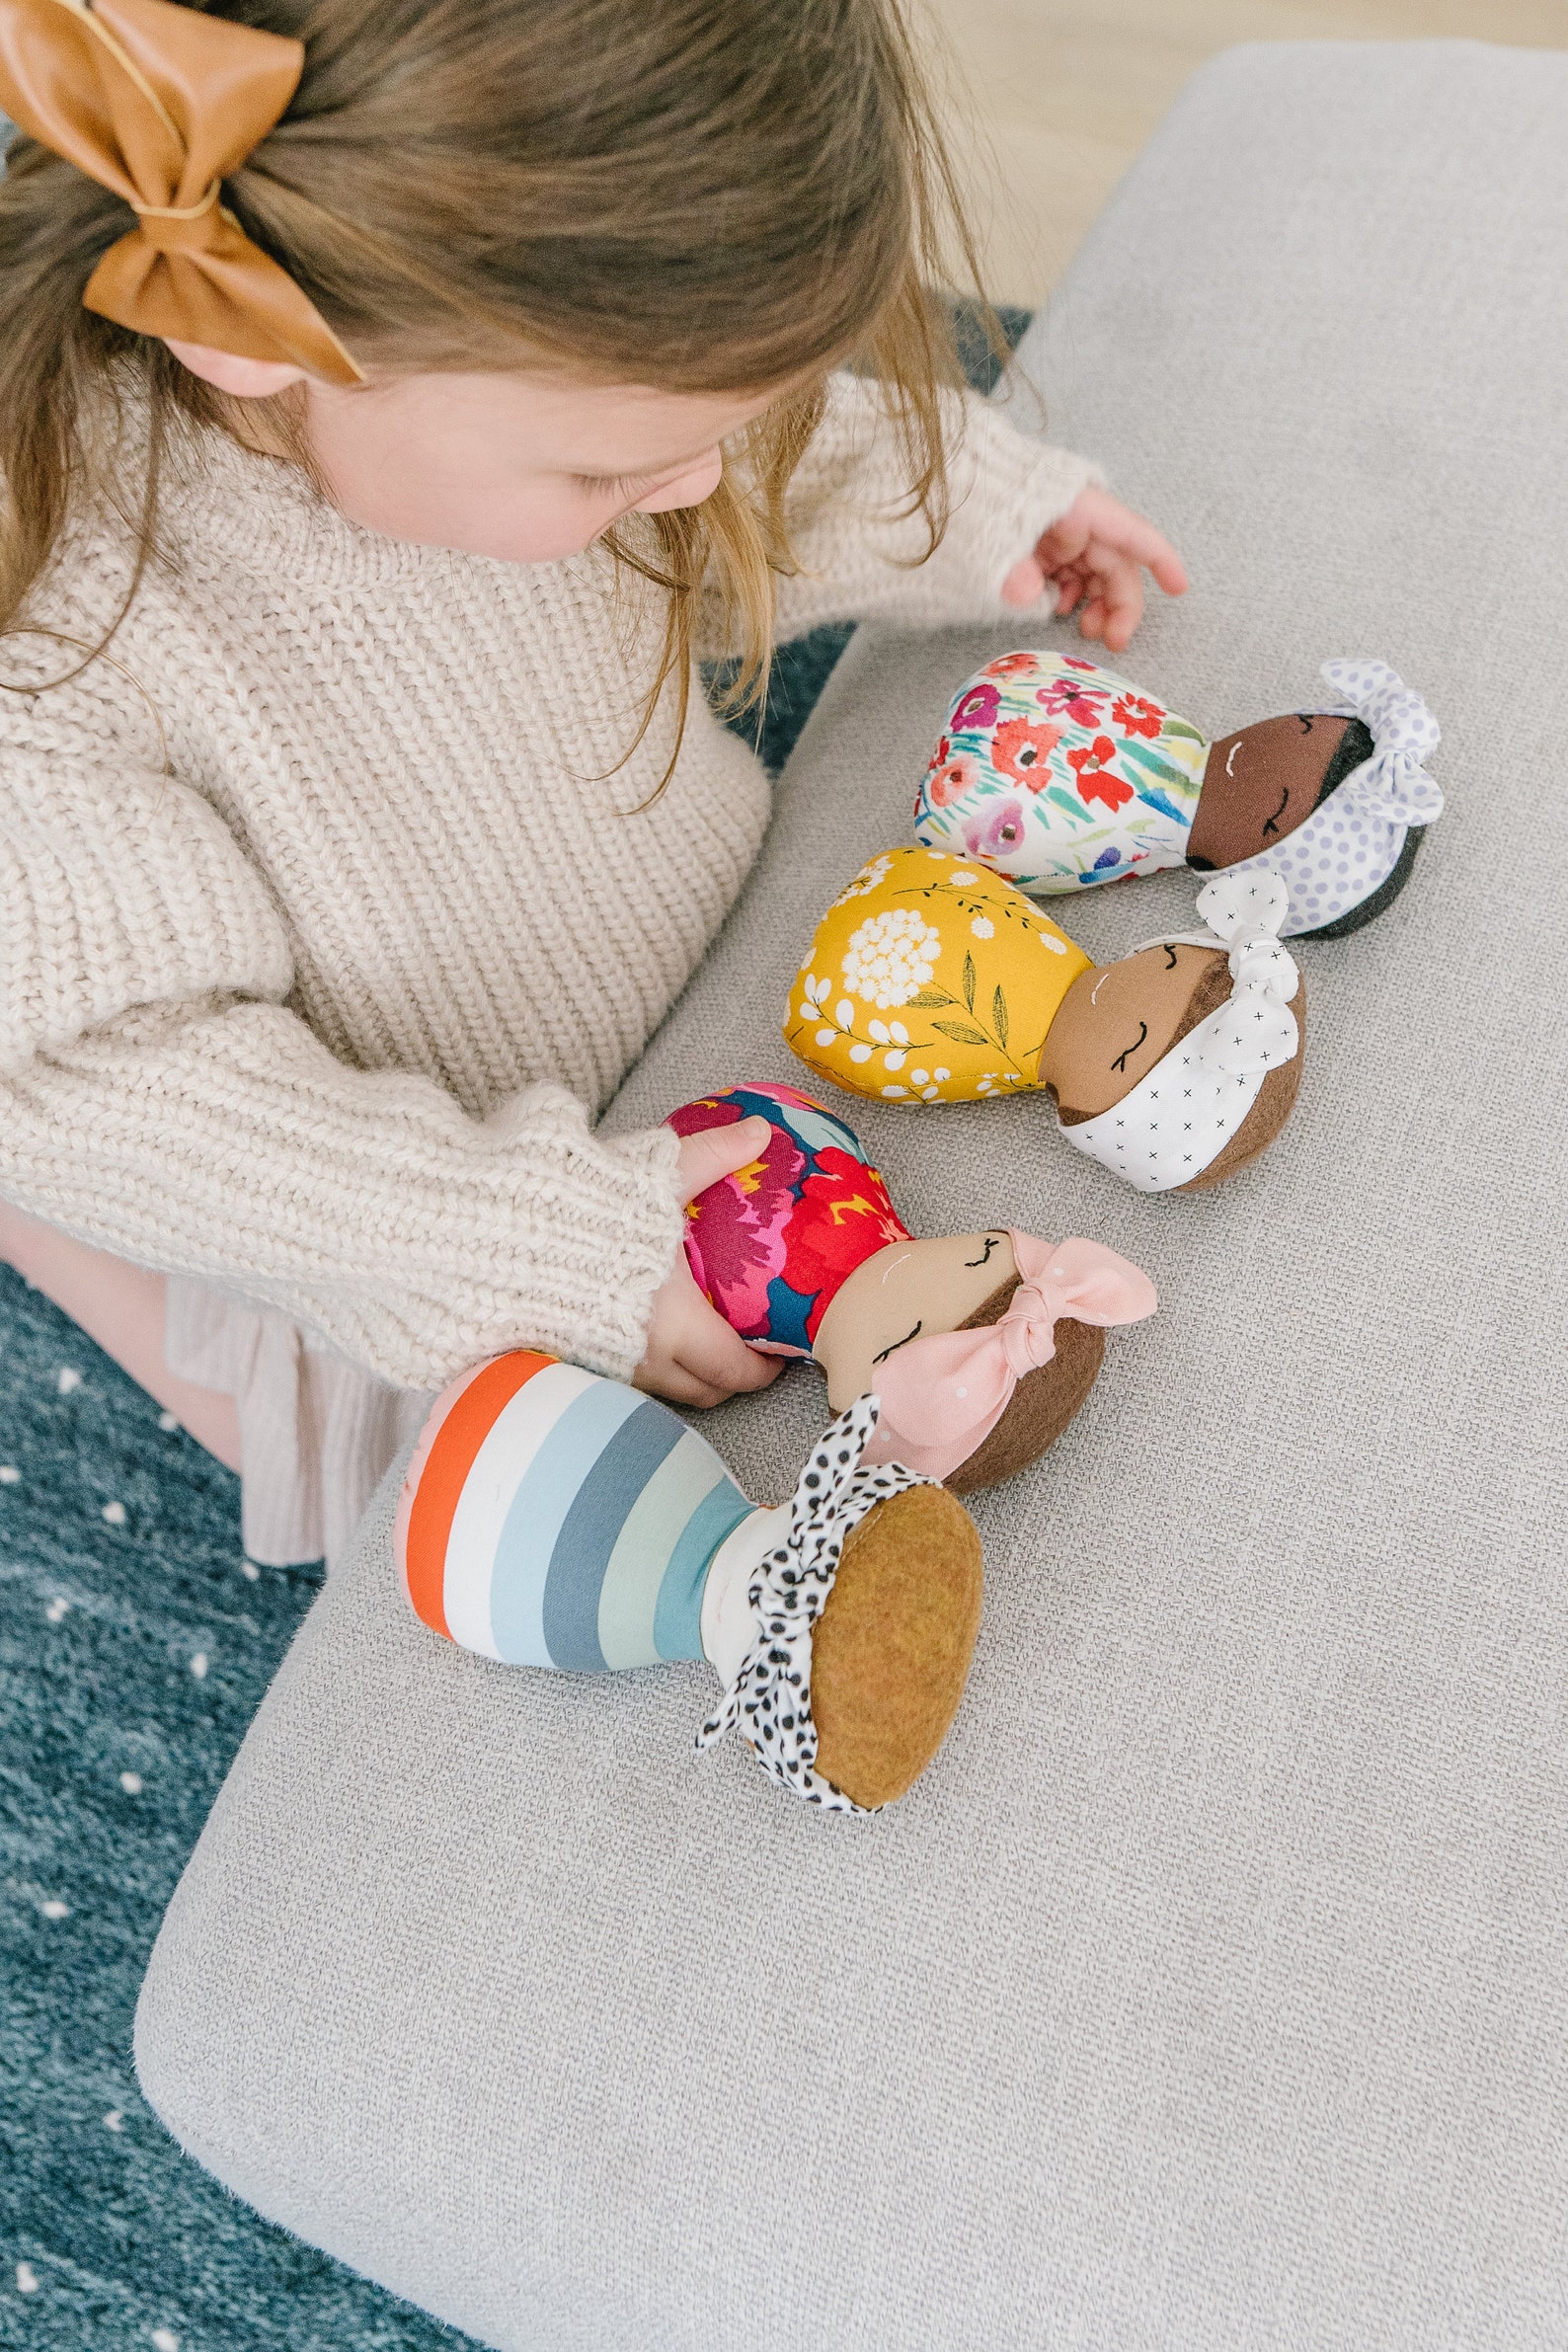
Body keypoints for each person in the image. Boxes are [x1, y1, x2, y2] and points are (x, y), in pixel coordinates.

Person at [0, 0, 1186, 1568]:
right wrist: (532, 1242)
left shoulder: (546, 374)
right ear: (257, 334)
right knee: (392, 1475)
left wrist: (967, 503)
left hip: (640, 969)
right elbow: (97, 1089)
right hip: (406, 1164)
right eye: (605, 471)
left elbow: (739, 448)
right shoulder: (60, 634)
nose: (696, 482)